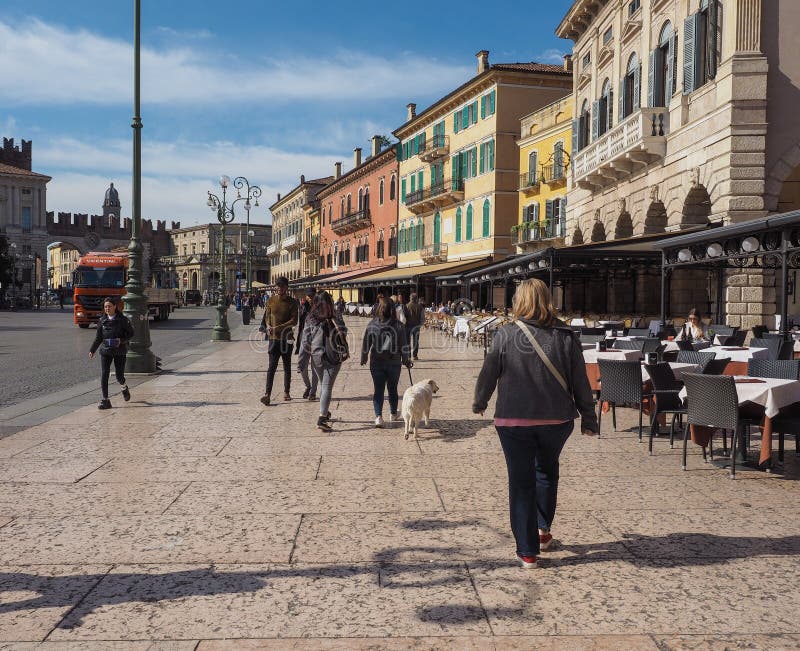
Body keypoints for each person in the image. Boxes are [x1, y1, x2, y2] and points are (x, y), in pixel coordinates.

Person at [472, 278, 598, 569]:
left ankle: (527, 551)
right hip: (557, 419)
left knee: (520, 481)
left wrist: (480, 401)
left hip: (513, 420)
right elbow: (581, 381)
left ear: (519, 301)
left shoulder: (505, 335)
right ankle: (542, 530)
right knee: (547, 470)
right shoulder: (566, 336)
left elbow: (488, 372)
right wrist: (588, 419)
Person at [361, 297, 411, 427]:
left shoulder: (372, 324)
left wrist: (364, 356)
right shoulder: (399, 325)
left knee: (378, 389)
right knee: (392, 388)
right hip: (394, 362)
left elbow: (366, 342)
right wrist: (406, 359)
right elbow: (403, 345)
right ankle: (393, 414)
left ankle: (378, 417)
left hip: (376, 362)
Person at [307, 291, 347, 432]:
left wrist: (303, 360)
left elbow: (305, 339)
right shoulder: (335, 315)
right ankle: (322, 418)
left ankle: (325, 411)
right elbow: (344, 332)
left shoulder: (311, 317)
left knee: (324, 386)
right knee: (326, 387)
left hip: (316, 356)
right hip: (334, 356)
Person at [88, 297, 135, 409]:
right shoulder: (102, 321)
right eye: (105, 307)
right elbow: (98, 337)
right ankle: (105, 400)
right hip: (106, 351)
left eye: (109, 306)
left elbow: (131, 333)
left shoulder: (123, 320)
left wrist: (121, 340)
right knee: (104, 374)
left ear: (115, 306)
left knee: (119, 376)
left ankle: (124, 387)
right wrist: (92, 350)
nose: (107, 308)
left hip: (120, 351)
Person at [259, 276, 299, 406]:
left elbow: (294, 321)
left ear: (286, 288)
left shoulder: (292, 302)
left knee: (287, 366)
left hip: (286, 338)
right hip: (273, 339)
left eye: (282, 286)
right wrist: (268, 326)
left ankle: (286, 392)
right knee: (271, 367)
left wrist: (278, 327)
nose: (279, 288)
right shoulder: (270, 300)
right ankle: (267, 394)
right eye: (278, 286)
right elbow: (267, 316)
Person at [296, 288, 319, 400]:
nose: (310, 298)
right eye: (308, 296)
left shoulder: (320, 307)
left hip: (317, 341)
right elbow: (300, 324)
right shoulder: (303, 307)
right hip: (304, 338)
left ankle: (313, 392)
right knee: (302, 367)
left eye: (312, 296)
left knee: (315, 367)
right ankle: (308, 386)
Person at [405, 292, 424, 360]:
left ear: (410, 298)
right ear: (416, 299)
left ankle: (408, 355)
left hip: (408, 326)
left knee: (407, 341)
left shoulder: (406, 306)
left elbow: (404, 317)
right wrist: (420, 325)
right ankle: (415, 355)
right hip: (416, 326)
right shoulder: (420, 307)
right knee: (416, 341)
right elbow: (422, 318)